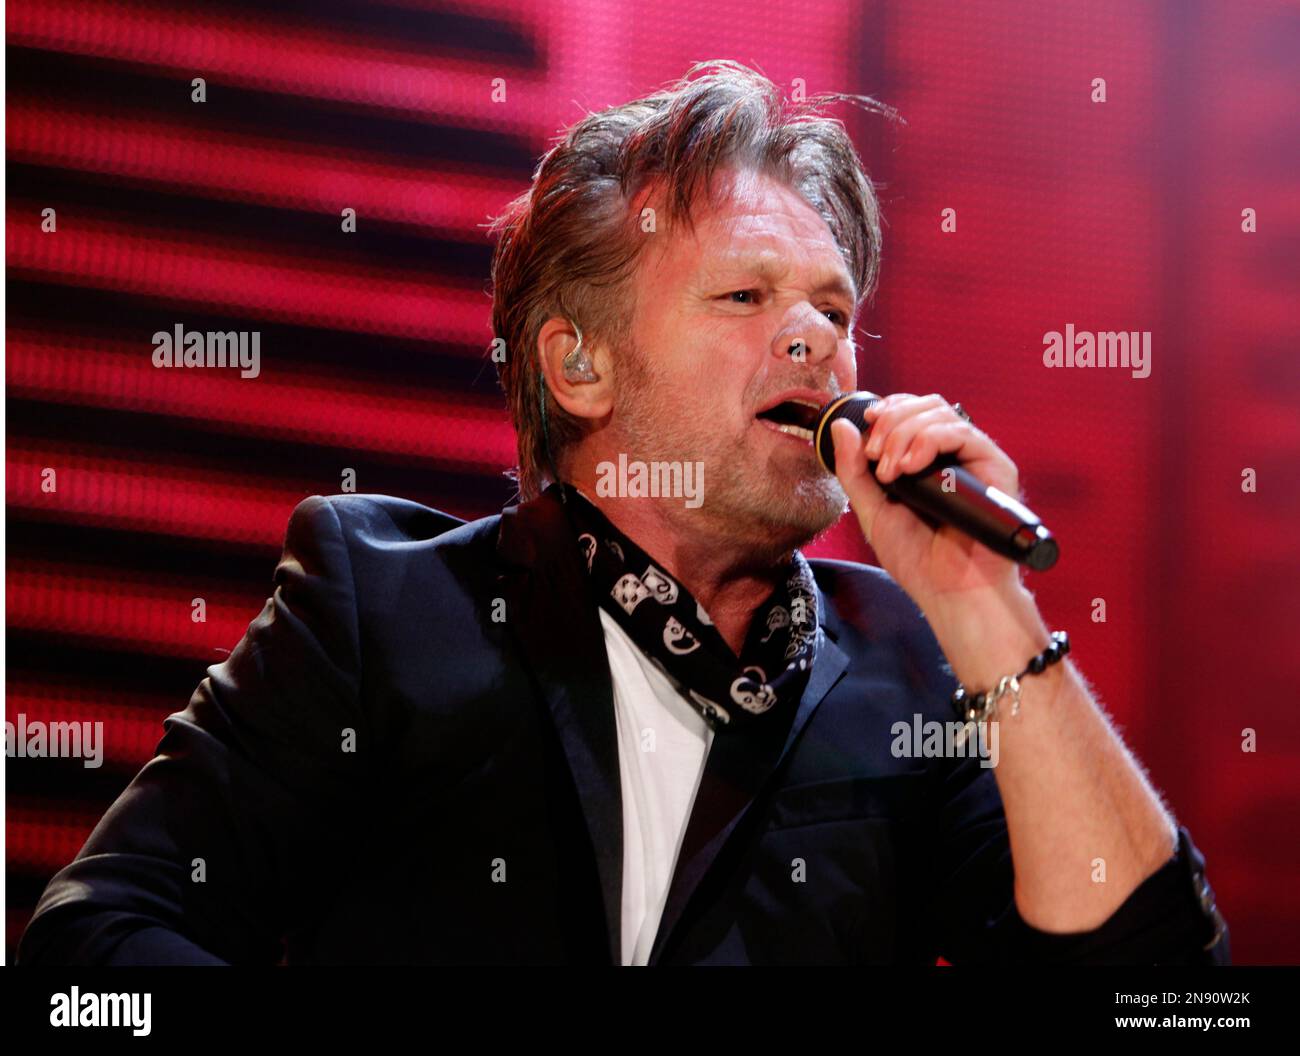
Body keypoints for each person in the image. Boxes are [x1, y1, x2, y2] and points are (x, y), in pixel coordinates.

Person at [18, 60, 1227, 966]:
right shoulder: (384, 607)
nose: (812, 336)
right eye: (745, 295)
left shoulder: (910, 670)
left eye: (832, 306)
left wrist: (985, 602)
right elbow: (89, 950)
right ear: (577, 368)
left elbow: (1163, 991)